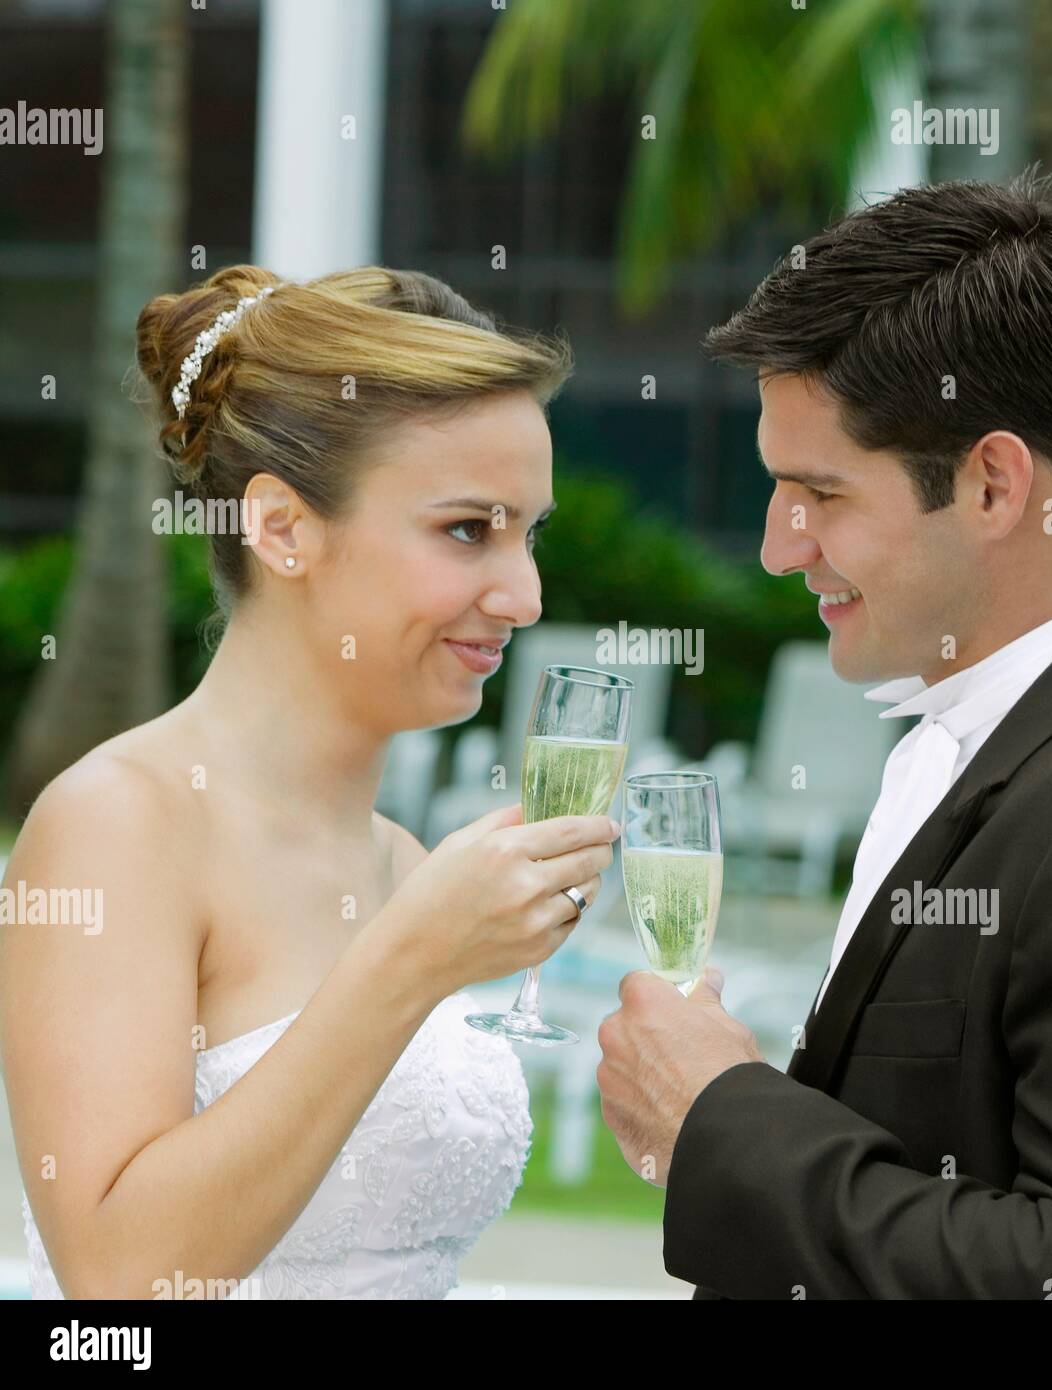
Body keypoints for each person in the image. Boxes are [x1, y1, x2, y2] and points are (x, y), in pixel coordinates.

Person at [594, 174, 1052, 1299]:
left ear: (990, 485)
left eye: (818, 493)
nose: (781, 548)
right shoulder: (998, 742)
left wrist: (719, 1122)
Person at [1, 264, 620, 1299]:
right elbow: (117, 1279)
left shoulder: (403, 858)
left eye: (530, 534)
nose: (522, 594)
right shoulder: (116, 825)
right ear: (282, 527)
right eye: (469, 529)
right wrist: (412, 959)